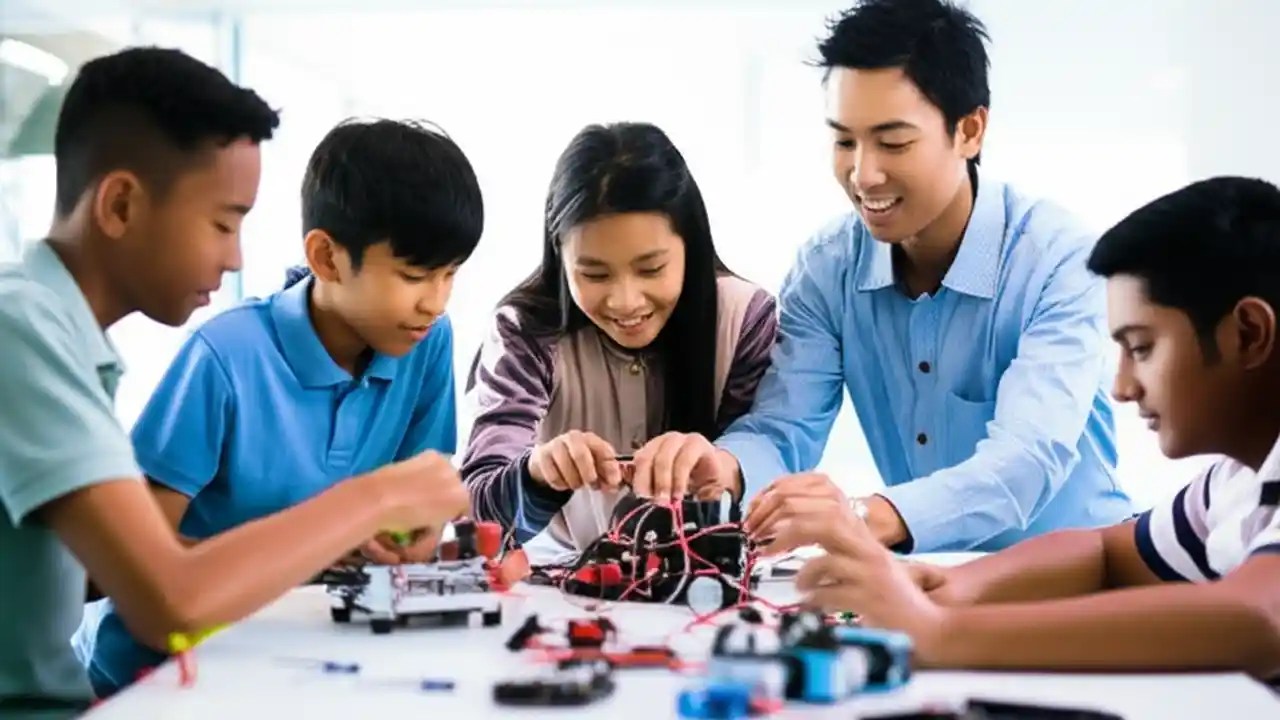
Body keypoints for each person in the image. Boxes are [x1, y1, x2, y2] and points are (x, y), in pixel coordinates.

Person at [0, 48, 467, 717]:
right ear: (122, 203)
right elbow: (168, 602)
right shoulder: (22, 330)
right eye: (224, 222)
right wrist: (373, 500)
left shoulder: (66, 340)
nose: (236, 256)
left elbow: (113, 572)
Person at [779, 176, 1280, 679]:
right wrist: (953, 589)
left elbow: (1259, 618)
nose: (1122, 387)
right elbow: (1107, 551)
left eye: (1142, 348)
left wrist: (936, 633)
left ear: (1250, 334)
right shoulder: (1233, 482)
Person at [80, 117, 484, 697]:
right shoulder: (226, 357)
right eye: (415, 275)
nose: (436, 302)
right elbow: (139, 566)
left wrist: (414, 536)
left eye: (451, 275)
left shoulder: (426, 344)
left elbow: (419, 501)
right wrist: (316, 547)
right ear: (325, 257)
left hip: (297, 663)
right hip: (163, 675)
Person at [723, 0, 1134, 554]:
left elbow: (1028, 459)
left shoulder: (1058, 259)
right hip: (929, 588)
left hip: (1083, 585)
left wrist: (867, 515)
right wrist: (725, 468)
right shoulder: (826, 267)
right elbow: (781, 430)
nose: (863, 174)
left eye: (893, 142)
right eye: (844, 141)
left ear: (969, 130)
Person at [460, 121, 777, 553]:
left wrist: (716, 470)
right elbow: (477, 521)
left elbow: (766, 500)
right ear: (560, 257)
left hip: (707, 586)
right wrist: (537, 476)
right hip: (561, 580)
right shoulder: (525, 332)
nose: (626, 302)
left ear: (691, 246)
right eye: (594, 274)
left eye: (651, 269)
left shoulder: (744, 320)